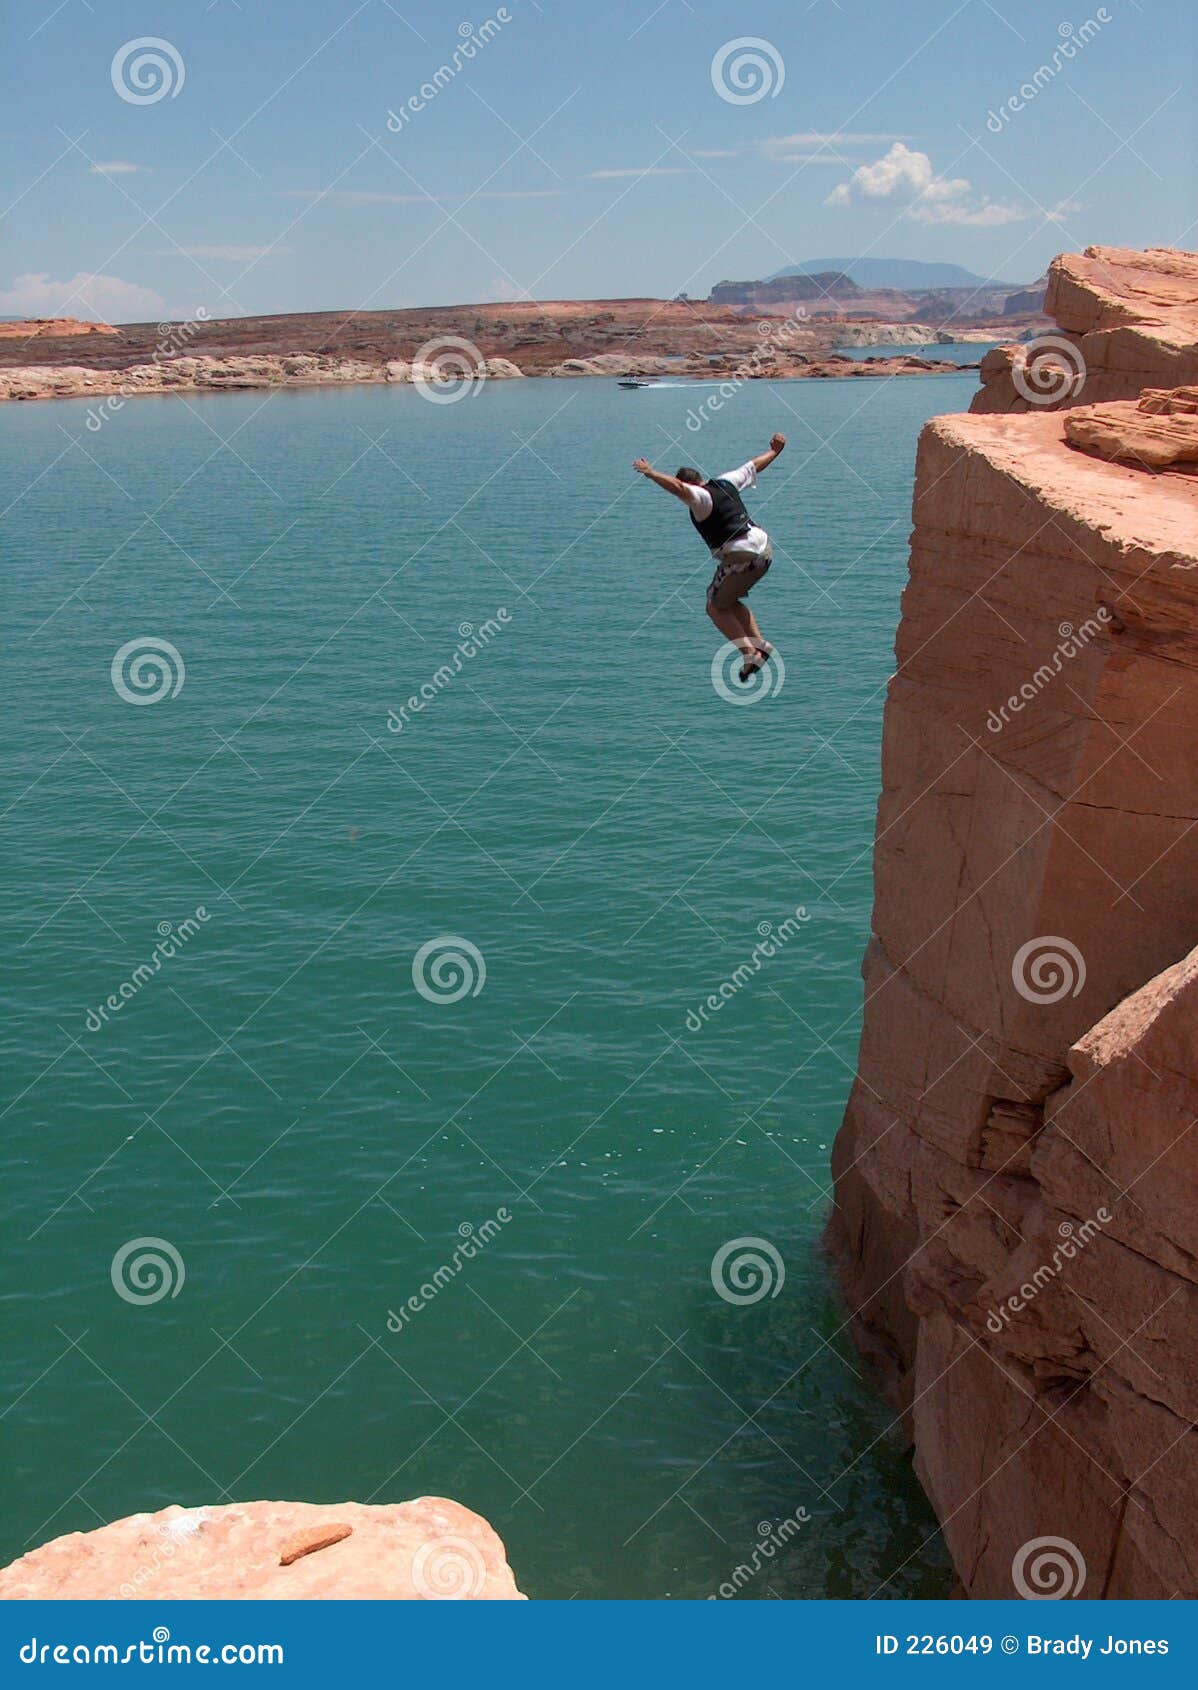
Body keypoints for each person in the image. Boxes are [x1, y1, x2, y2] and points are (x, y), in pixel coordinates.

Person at [633, 434, 786, 681]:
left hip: (742, 555)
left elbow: (680, 488)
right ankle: (760, 646)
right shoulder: (725, 482)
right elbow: (753, 465)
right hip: (765, 552)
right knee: (729, 600)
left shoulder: (700, 497)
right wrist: (775, 452)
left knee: (713, 606)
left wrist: (651, 473)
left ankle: (750, 653)